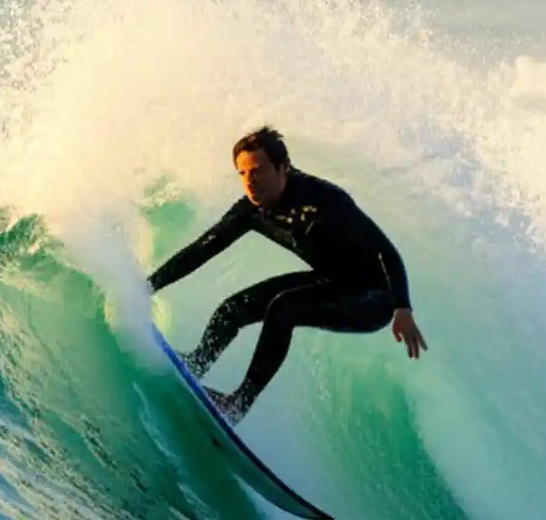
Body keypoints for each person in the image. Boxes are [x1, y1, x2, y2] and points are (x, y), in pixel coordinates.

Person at [148, 126, 427, 423]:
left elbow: (384, 250)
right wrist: (147, 286)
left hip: (374, 297)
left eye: (258, 171)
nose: (250, 182)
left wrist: (402, 307)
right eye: (242, 174)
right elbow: (203, 248)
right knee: (234, 308)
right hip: (331, 282)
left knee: (283, 307)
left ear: (284, 167)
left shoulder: (325, 200)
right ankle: (195, 365)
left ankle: (238, 404)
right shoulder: (252, 209)